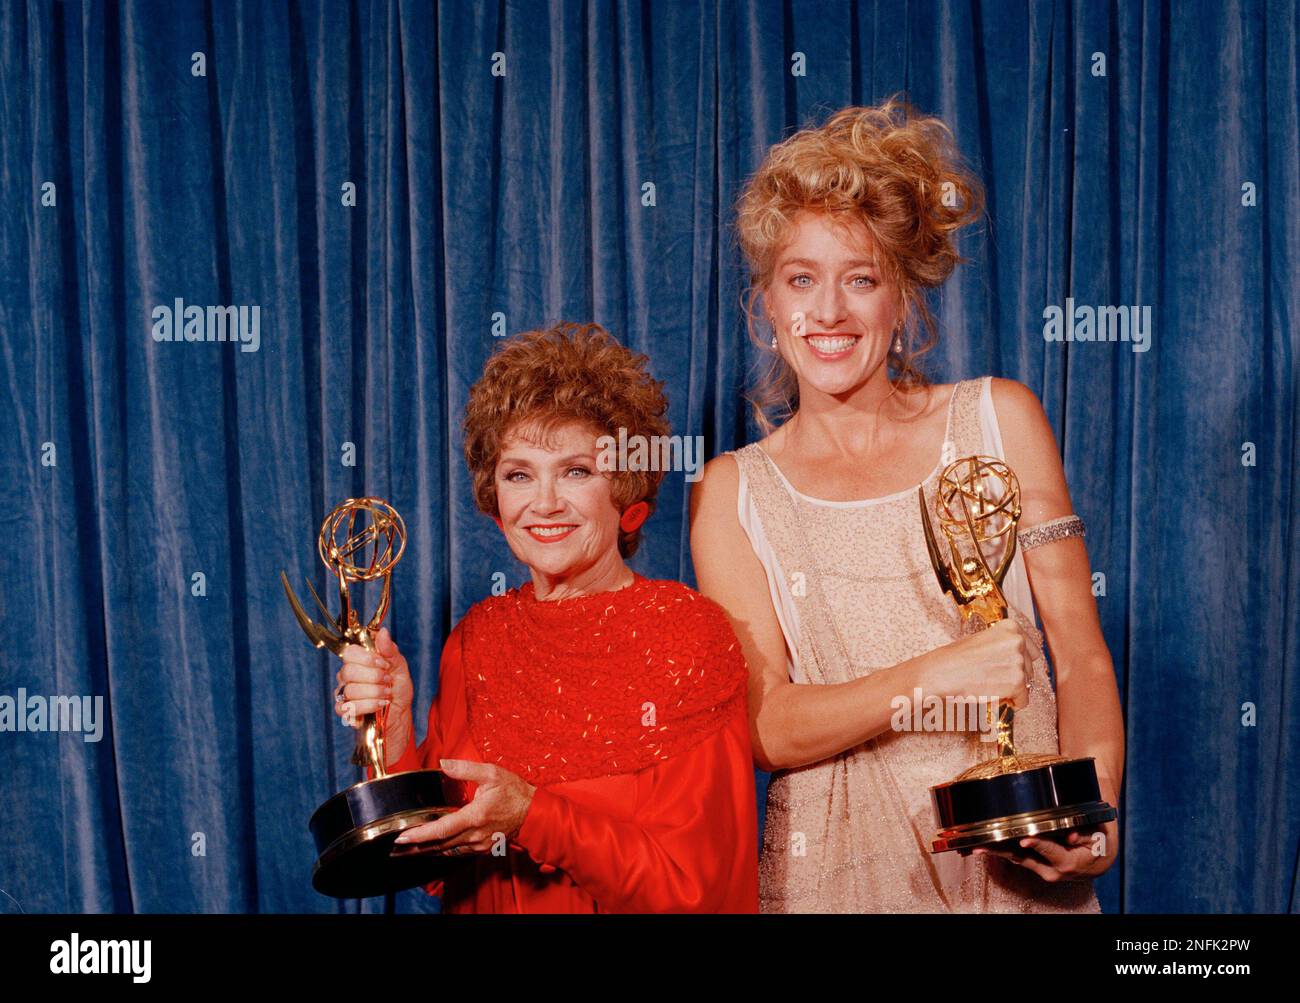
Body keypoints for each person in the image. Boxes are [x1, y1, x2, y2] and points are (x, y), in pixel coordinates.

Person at [689, 96, 1125, 912]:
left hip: (1016, 874)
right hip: (834, 876)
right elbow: (766, 726)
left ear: (902, 298)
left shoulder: (1002, 418)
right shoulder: (730, 489)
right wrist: (930, 675)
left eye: (860, 279)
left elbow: (1082, 655)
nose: (828, 312)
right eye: (800, 280)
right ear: (767, 304)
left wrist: (1095, 822)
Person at [334, 321, 759, 913]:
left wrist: (534, 815)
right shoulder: (475, 639)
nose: (545, 502)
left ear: (625, 491)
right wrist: (398, 726)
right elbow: (438, 869)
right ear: (496, 500)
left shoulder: (687, 635)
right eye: (519, 474)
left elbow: (701, 893)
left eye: (576, 471)